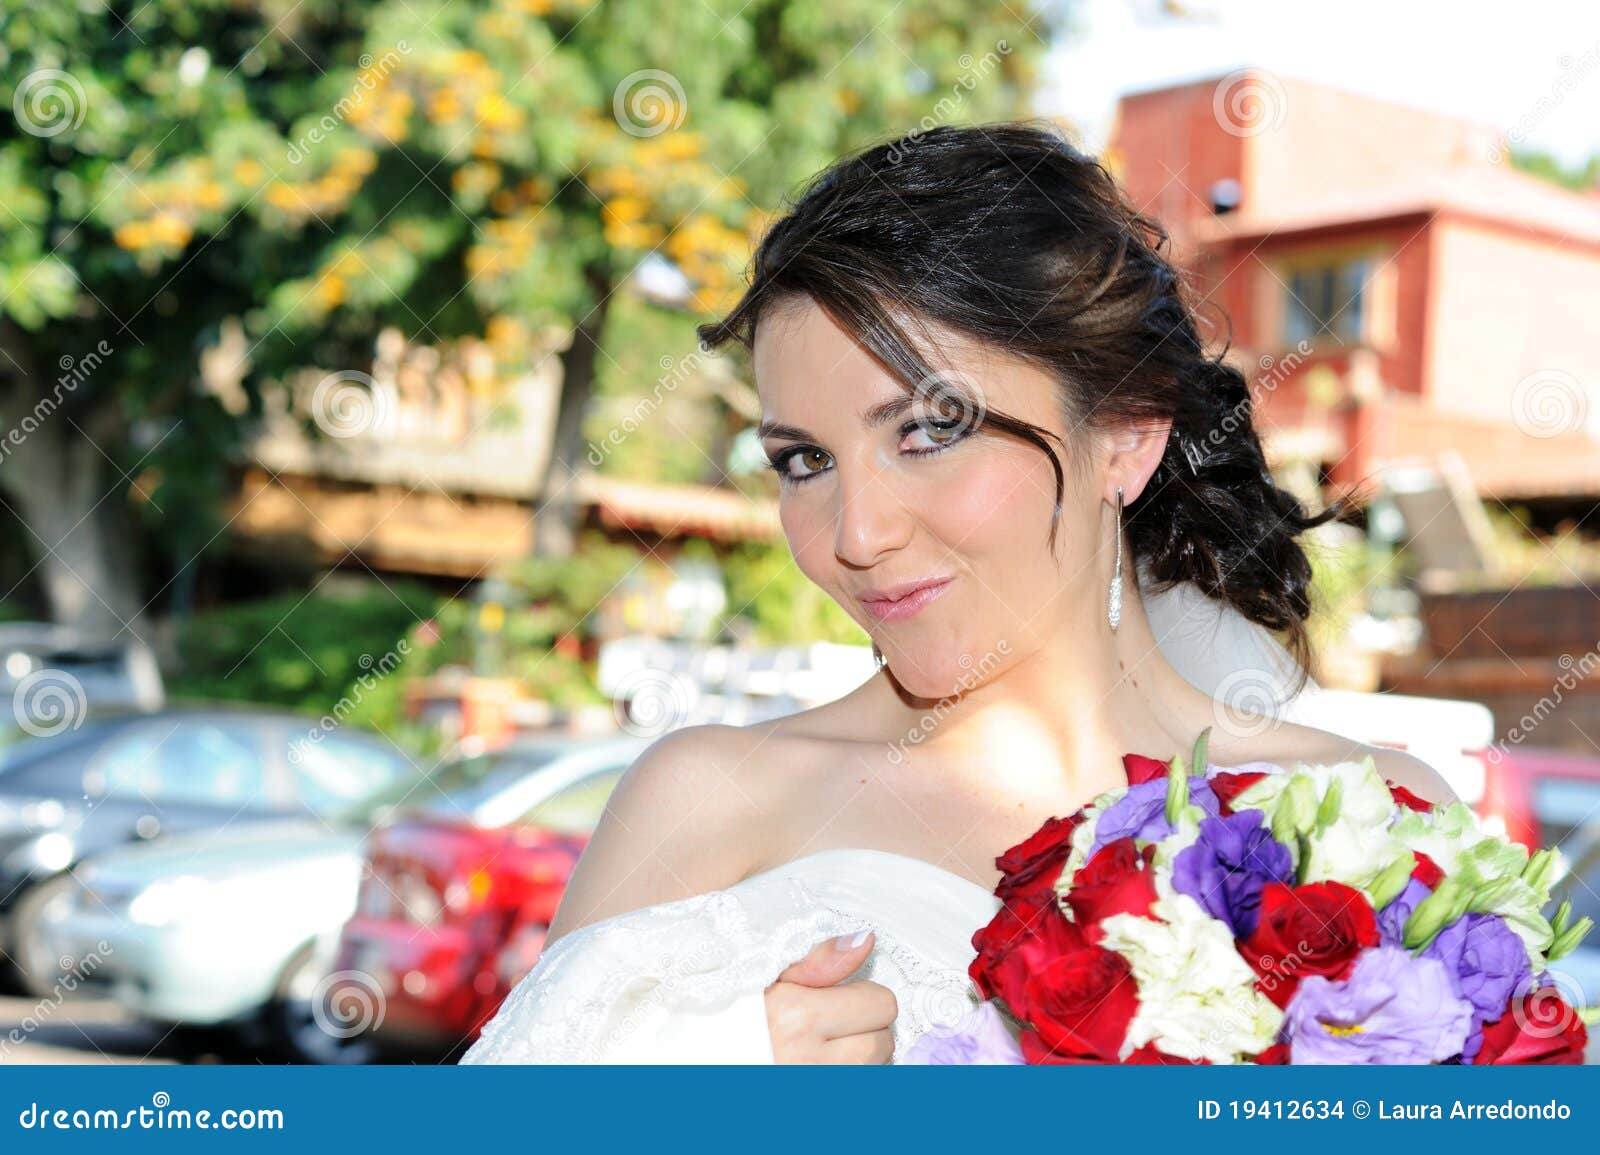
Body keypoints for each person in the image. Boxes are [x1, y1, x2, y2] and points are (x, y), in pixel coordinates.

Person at [458, 121, 1456, 1066]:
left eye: (929, 430)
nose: (857, 534)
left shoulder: (1380, 823)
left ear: (1124, 436)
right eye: (804, 459)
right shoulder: (710, 801)